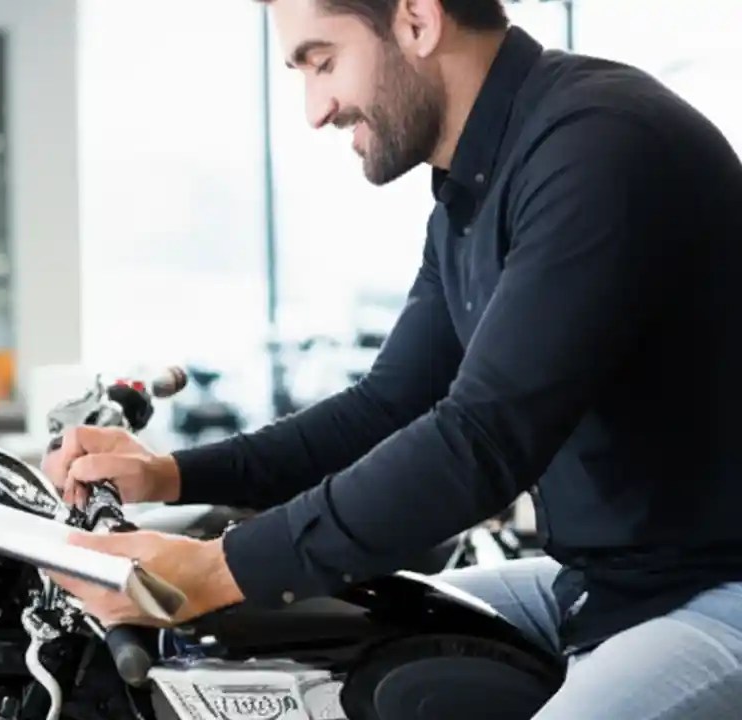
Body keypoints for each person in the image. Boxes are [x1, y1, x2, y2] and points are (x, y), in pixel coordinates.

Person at [43, 0, 742, 716]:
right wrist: (169, 473)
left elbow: (481, 442)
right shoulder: (473, 194)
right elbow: (385, 407)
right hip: (607, 584)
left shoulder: (597, 148)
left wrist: (217, 567)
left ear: (416, 19)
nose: (316, 110)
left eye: (323, 62)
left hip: (717, 594)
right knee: (295, 645)